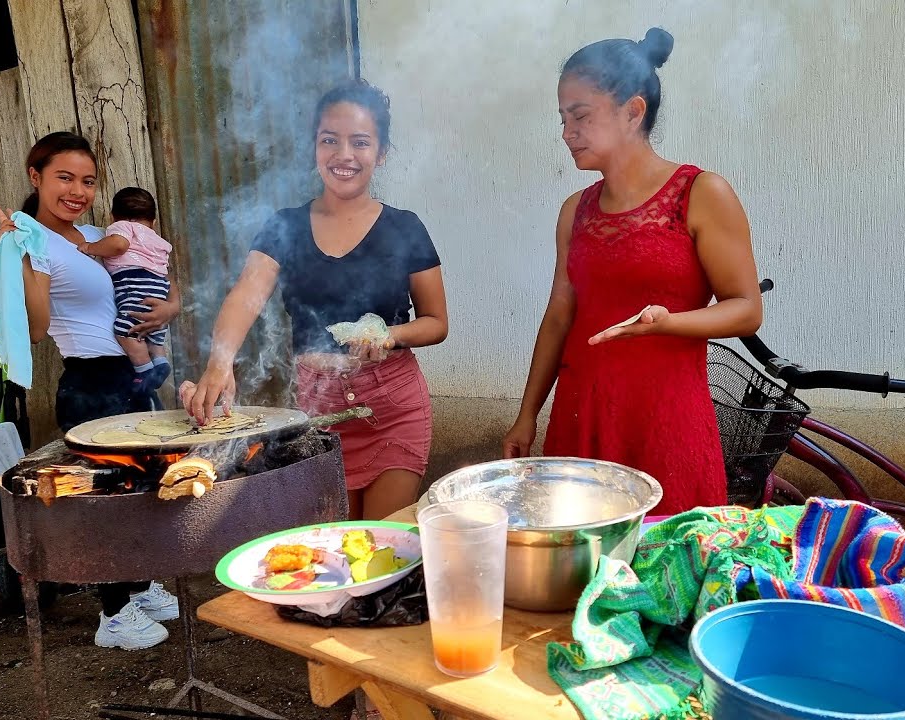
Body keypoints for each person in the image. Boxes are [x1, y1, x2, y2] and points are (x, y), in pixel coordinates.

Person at [502, 28, 763, 516]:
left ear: (633, 111)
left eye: (580, 115)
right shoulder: (574, 211)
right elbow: (560, 314)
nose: (566, 132)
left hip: (665, 419)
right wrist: (526, 417)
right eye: (562, 118)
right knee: (581, 570)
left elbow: (747, 309)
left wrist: (668, 322)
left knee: (667, 569)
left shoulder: (701, 193)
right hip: (582, 417)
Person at [183, 79, 448, 522]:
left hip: (392, 406)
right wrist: (220, 361)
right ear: (314, 147)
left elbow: (437, 322)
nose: (344, 154)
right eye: (330, 140)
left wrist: (390, 334)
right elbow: (247, 293)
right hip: (318, 406)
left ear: (380, 153)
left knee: (384, 548)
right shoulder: (283, 226)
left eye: (360, 142)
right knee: (334, 553)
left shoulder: (406, 227)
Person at [0, 132, 182, 650]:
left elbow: (158, 273)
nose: (77, 191)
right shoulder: (28, 241)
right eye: (64, 178)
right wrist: (26, 262)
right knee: (108, 498)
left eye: (88, 180)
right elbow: (34, 329)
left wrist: (170, 309)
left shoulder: (99, 234)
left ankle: (138, 586)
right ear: (36, 177)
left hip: (132, 373)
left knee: (146, 488)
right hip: (92, 382)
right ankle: (114, 614)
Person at [74, 186, 175, 398]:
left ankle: (144, 370)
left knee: (125, 329)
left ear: (113, 217)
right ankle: (160, 359)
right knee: (150, 331)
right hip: (158, 288)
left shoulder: (122, 227)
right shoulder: (156, 238)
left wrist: (90, 248)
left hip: (133, 281)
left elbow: (119, 245)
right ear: (153, 221)